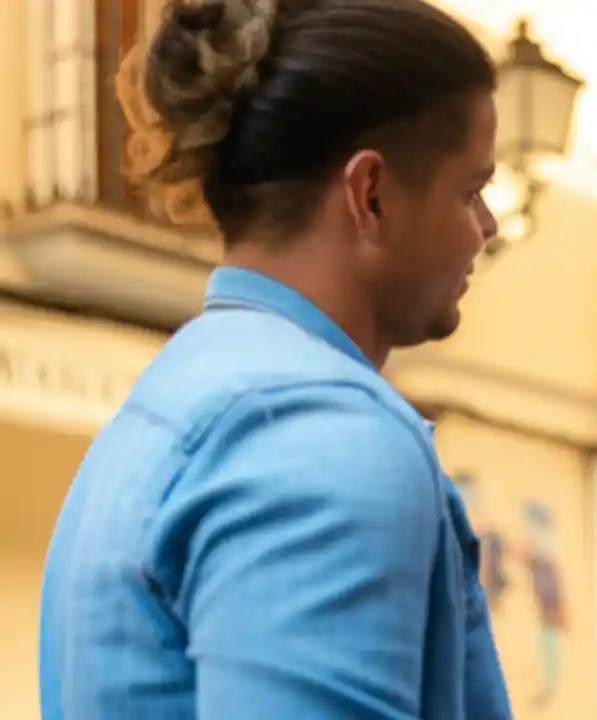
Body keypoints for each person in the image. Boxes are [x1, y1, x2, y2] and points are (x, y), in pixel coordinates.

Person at [39, 1, 509, 718]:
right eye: (470, 191)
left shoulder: (170, 407)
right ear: (371, 194)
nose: (488, 227)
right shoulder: (325, 439)